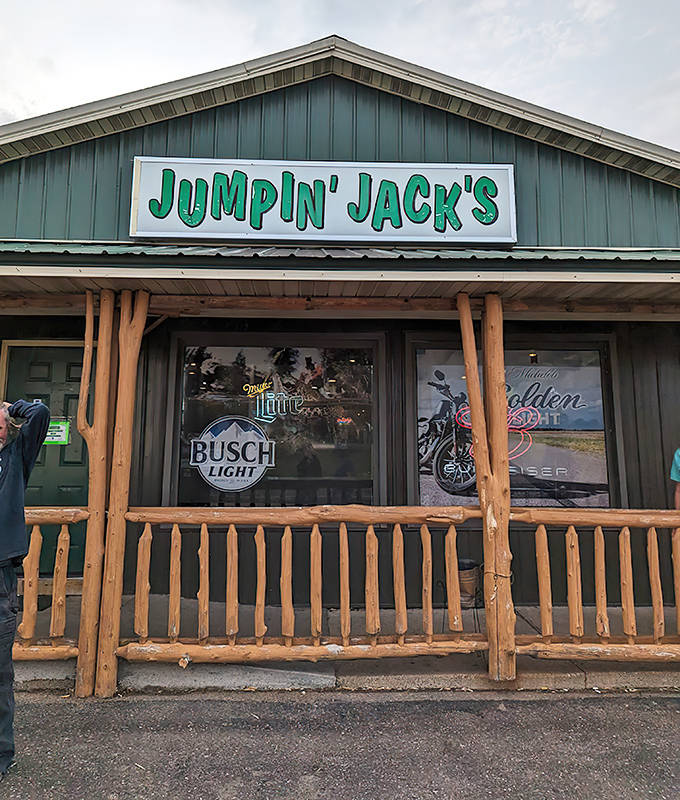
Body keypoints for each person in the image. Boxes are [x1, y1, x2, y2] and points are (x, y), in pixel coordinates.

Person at [0, 400, 50, 781]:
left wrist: (11, 406)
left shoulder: (17, 456)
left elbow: (41, 413)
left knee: (0, 673)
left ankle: (2, 755)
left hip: (0, 575)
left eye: (0, 423)